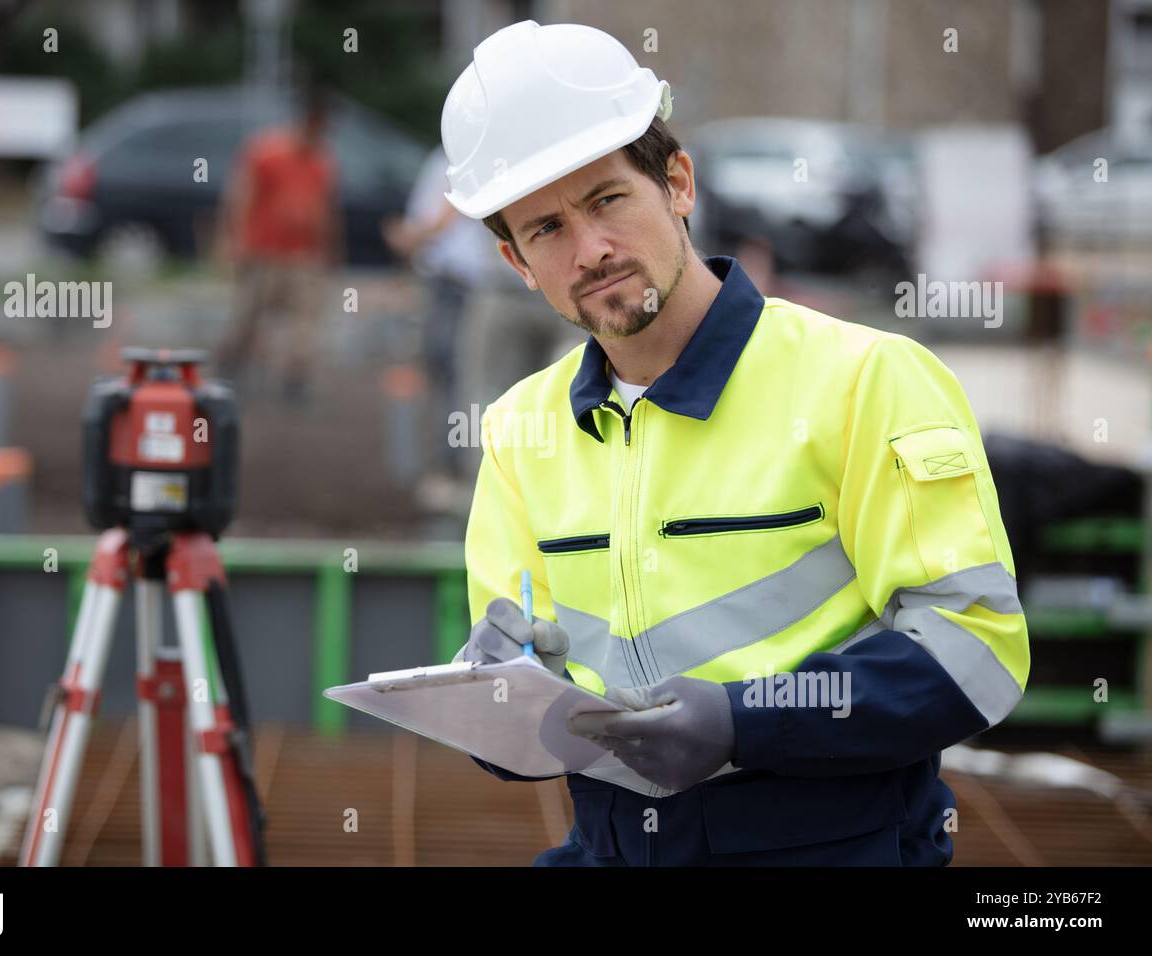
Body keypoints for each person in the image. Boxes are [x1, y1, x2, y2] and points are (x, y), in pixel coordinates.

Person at [446, 21, 1029, 866]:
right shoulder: (517, 430)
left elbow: (977, 655)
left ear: (677, 183)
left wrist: (742, 724)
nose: (592, 250)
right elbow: (522, 724)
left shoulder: (867, 381)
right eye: (546, 230)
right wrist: (494, 700)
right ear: (516, 263)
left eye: (608, 200)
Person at [217, 84, 342, 401]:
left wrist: (328, 249)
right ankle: (229, 369)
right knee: (246, 318)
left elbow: (325, 208)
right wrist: (235, 240)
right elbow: (240, 196)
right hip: (264, 252)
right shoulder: (266, 152)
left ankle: (295, 381)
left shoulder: (322, 162)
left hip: (303, 255)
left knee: (305, 325)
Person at [382, 145, 492, 489]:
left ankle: (456, 463)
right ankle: (451, 460)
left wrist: (411, 237)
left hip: (460, 283)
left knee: (454, 369)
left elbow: (448, 213)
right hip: (442, 279)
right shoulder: (445, 157)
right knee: (445, 368)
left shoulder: (472, 158)